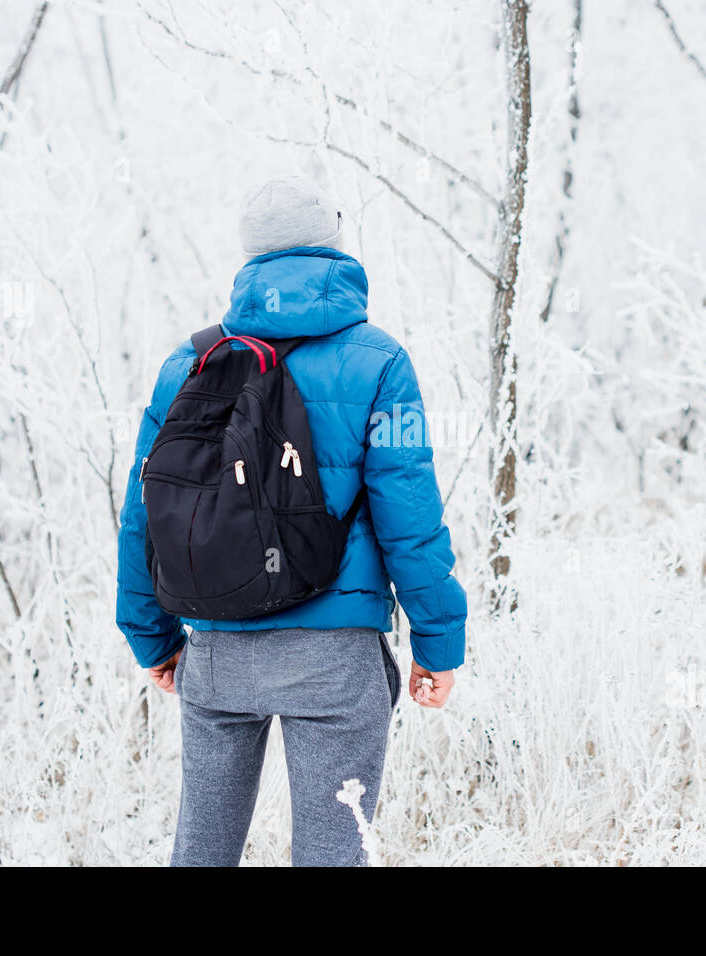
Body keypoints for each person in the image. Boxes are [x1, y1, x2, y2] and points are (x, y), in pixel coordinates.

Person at [115, 175, 468, 866]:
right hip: (334, 661)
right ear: (333, 247)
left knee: (201, 855)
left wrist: (149, 638)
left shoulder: (188, 366)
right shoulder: (381, 362)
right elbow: (411, 520)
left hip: (217, 649)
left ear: (250, 261)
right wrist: (437, 641)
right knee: (334, 855)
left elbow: (142, 515)